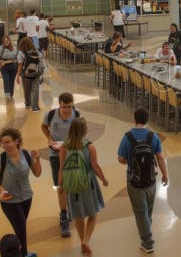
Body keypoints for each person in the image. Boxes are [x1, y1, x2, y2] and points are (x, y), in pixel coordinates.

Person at [117, 108, 169, 254]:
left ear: (134, 120)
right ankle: (146, 228)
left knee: (140, 212)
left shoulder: (127, 137)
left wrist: (131, 161)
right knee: (148, 210)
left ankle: (147, 242)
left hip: (134, 182)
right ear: (147, 120)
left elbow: (120, 159)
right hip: (151, 180)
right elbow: (160, 157)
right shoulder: (153, 137)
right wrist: (165, 174)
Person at [57, 118, 108, 255]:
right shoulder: (89, 146)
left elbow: (61, 168)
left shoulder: (64, 147)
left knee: (79, 216)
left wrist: (60, 186)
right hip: (88, 184)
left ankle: (81, 240)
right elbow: (95, 166)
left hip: (71, 186)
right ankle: (85, 241)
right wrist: (103, 179)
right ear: (84, 130)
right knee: (92, 214)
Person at [0, 128, 42, 257]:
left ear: (16, 141)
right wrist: (2, 191)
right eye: (3, 143)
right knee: (21, 230)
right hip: (10, 201)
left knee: (20, 228)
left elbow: (37, 173)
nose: (5, 145)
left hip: (26, 197)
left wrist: (37, 159)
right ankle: (23, 254)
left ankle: (20, 252)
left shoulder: (26, 155)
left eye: (8, 142)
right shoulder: (0, 160)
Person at [41, 92, 79, 237]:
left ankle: (70, 208)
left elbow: (81, 132)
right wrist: (49, 139)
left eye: (69, 107)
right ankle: (63, 216)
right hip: (55, 154)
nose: (67, 110)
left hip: (72, 154)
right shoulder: (50, 115)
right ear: (59, 105)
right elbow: (44, 127)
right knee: (60, 186)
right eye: (64, 107)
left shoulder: (77, 115)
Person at [16, 37, 45, 112]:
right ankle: (35, 107)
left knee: (27, 89)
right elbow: (41, 63)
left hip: (25, 74)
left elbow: (20, 65)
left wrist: (18, 76)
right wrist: (41, 72)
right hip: (36, 73)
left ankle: (28, 103)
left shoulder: (21, 53)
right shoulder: (37, 52)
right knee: (35, 89)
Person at [0, 36, 19, 100]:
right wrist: (0, 61)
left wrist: (6, 62)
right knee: (6, 80)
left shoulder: (14, 48)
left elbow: (16, 59)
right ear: (3, 41)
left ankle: (11, 95)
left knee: (11, 81)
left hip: (13, 66)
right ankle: (7, 95)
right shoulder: (0, 48)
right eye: (5, 40)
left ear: (9, 40)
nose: (6, 41)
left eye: (7, 40)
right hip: (4, 67)